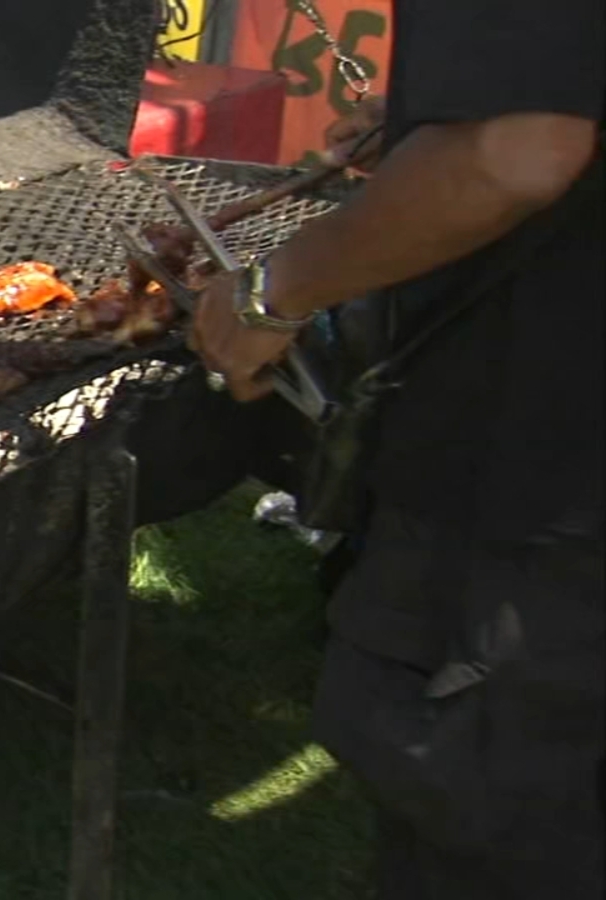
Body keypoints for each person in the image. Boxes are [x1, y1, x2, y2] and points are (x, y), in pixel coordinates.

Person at [185, 2, 603, 898]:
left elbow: (516, 153)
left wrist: (271, 294)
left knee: (491, 810)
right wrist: (437, 114)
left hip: (551, 478)